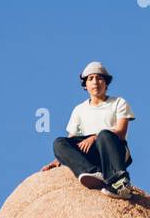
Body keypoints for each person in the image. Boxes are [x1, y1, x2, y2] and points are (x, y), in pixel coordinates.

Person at [40, 61, 135, 199]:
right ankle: (92, 172)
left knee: (104, 135)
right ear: (85, 85)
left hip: (113, 148)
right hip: (90, 152)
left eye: (99, 78)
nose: (95, 82)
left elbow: (120, 132)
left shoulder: (118, 102)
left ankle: (120, 184)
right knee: (59, 142)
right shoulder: (79, 109)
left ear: (106, 83)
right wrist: (59, 159)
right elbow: (71, 138)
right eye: (90, 79)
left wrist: (94, 137)